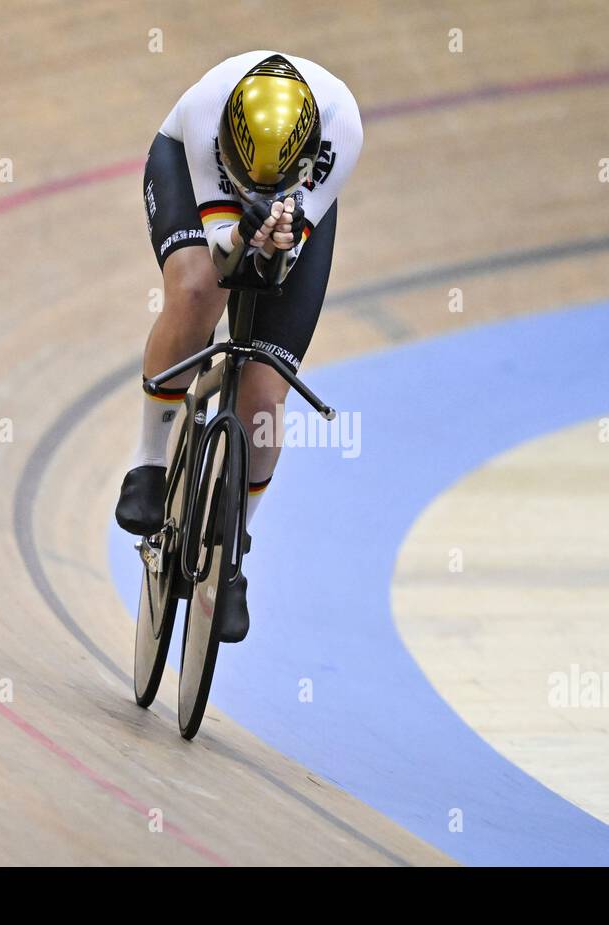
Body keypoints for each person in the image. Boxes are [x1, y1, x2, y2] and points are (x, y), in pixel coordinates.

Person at [116, 51, 363, 641]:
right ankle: (149, 464)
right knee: (198, 289)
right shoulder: (205, 113)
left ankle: (232, 556)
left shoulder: (343, 130)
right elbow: (225, 261)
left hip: (296, 206)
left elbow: (273, 269)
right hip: (190, 172)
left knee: (264, 393)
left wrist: (276, 236)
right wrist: (240, 231)